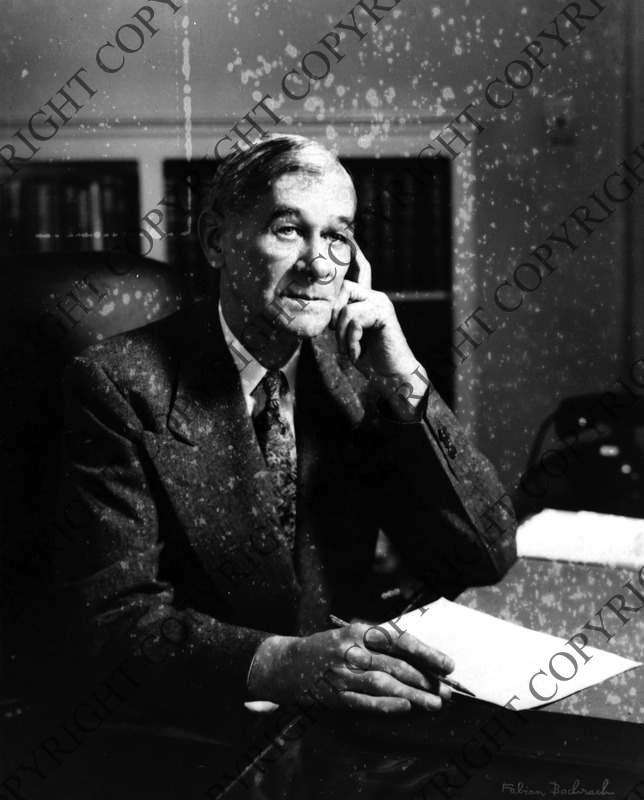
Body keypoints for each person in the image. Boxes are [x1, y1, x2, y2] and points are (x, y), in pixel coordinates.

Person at [56, 133, 516, 748]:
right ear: (217, 240)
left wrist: (406, 388)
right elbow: (110, 622)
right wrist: (282, 664)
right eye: (287, 229)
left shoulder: (359, 366)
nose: (320, 264)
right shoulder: (118, 384)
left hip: (354, 717)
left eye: (338, 237)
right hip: (202, 730)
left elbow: (484, 556)